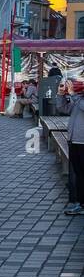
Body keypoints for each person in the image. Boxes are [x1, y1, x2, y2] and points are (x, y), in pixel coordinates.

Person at [62, 84, 84, 216]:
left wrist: (73, 94)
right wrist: (61, 95)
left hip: (82, 142)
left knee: (82, 173)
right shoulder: (79, 98)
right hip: (74, 140)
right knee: (79, 173)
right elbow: (63, 109)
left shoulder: (79, 99)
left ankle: (81, 203)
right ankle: (80, 203)